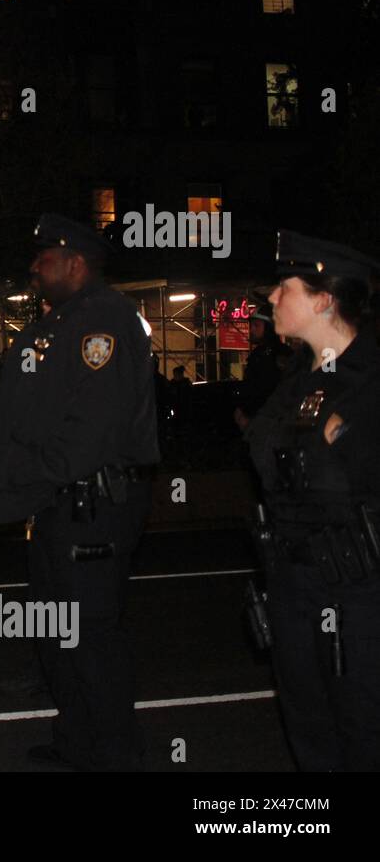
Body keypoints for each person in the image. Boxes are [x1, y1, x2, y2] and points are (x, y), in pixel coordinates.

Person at [0, 213, 159, 771]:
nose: (34, 266)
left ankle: (115, 754)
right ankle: (76, 742)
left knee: (90, 638)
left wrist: (29, 474)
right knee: (58, 634)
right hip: (56, 502)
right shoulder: (57, 324)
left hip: (92, 506)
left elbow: (93, 429)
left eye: (44, 256)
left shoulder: (105, 321)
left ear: (76, 262)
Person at [244, 230, 380, 771]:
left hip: (356, 589)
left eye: (285, 287)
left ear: (323, 299)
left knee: (361, 727)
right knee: (309, 727)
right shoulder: (297, 382)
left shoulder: (370, 379)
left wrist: (345, 439)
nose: (273, 298)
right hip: (293, 584)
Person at [234, 303, 291, 431]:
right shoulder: (258, 354)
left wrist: (252, 414)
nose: (251, 330)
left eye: (256, 325)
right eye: (251, 325)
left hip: (269, 422)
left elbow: (268, 389)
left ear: (270, 328)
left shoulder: (279, 354)